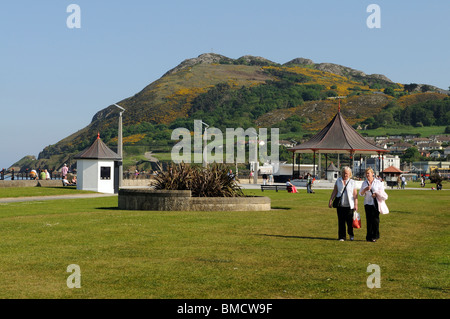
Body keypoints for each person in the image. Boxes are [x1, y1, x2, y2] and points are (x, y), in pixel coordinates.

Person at [328, 167, 359, 241]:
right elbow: (335, 191)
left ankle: (351, 234)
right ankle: (342, 237)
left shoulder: (352, 182)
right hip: (340, 204)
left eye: (347, 173)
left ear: (350, 174)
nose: (345, 174)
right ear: (342, 173)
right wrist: (331, 200)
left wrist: (356, 204)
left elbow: (355, 194)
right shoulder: (338, 181)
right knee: (341, 221)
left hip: (349, 205)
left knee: (349, 222)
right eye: (344, 173)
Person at [359, 167, 384, 242]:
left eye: (368, 173)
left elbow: (382, 192)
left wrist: (376, 194)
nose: (367, 175)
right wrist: (365, 189)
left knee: (375, 220)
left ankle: (375, 236)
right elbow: (361, 194)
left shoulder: (378, 182)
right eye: (366, 173)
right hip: (367, 203)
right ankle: (369, 236)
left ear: (372, 174)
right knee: (369, 220)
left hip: (375, 203)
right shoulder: (364, 183)